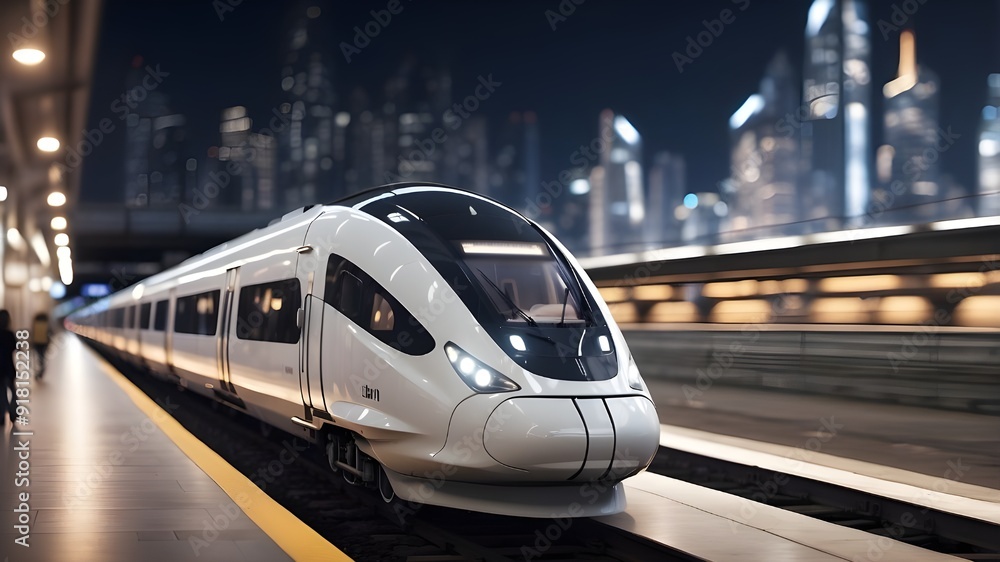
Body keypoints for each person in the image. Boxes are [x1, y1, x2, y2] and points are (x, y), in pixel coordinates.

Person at [0, 310, 17, 426]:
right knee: (13, 391)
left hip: (0, 368)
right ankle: (13, 410)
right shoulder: (10, 334)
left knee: (2, 393)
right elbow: (14, 348)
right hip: (9, 367)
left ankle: (2, 415)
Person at [30, 312, 51, 378]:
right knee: (41, 356)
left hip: (37, 342)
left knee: (38, 356)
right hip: (43, 342)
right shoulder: (46, 323)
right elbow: (49, 333)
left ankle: (39, 370)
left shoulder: (36, 323)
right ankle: (41, 370)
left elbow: (33, 332)